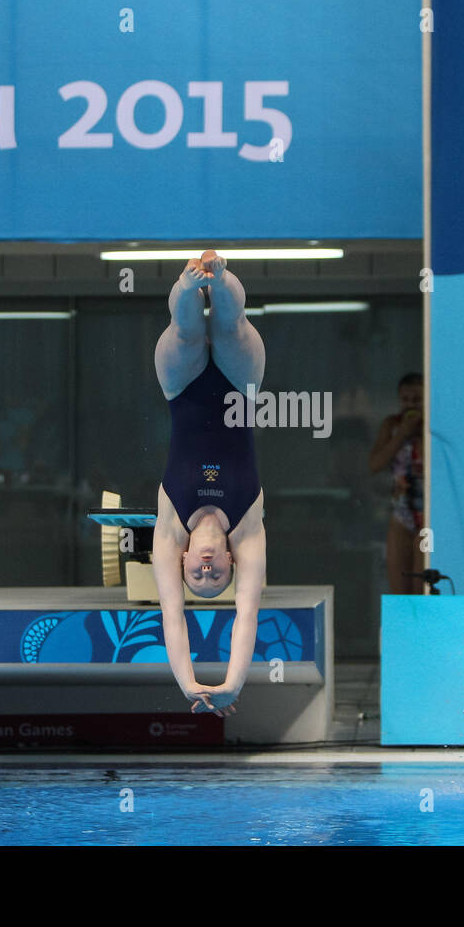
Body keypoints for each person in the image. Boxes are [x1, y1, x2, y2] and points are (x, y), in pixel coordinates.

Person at [153, 250, 265, 718]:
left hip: (180, 389)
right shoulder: (249, 531)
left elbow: (172, 617)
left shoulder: (169, 531)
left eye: (195, 576)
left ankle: (186, 282)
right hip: (242, 387)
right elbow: (246, 615)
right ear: (229, 562)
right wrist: (232, 684)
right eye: (215, 575)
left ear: (181, 561)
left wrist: (188, 684)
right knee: (232, 327)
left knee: (185, 330)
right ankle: (218, 277)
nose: (204, 569)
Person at [368, 373, 425, 594]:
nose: (411, 405)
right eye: (406, 400)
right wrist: (401, 434)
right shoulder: (392, 425)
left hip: (427, 514)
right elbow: (375, 464)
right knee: (399, 585)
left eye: (417, 400)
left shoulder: (431, 427)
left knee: (420, 586)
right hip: (401, 513)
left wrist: (419, 434)